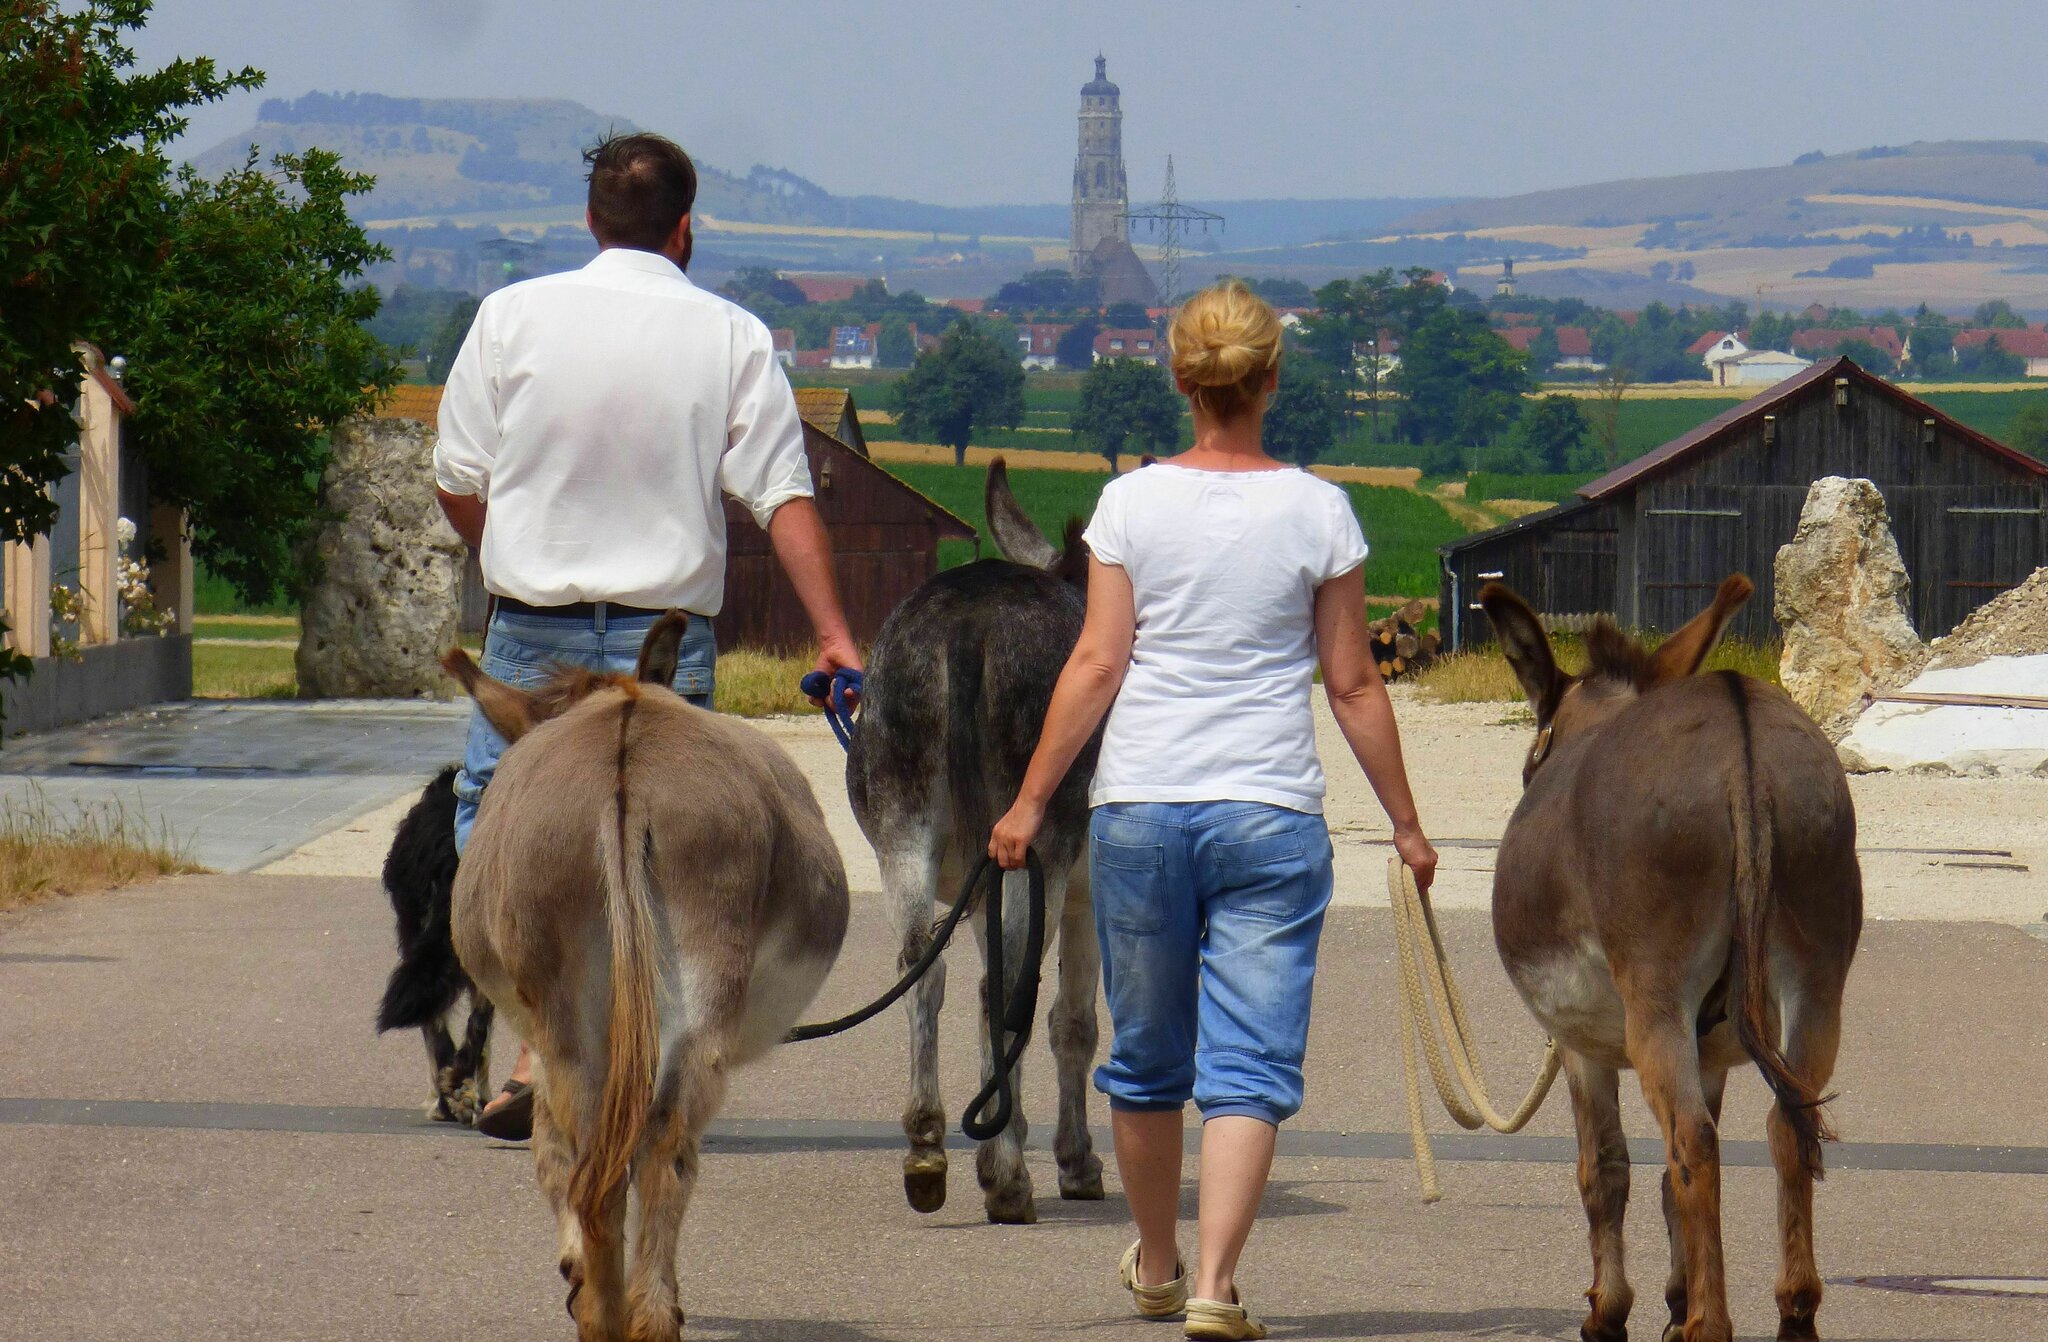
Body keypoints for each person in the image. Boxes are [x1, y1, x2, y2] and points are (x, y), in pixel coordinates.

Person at [988, 280, 1437, 1341]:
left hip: (1141, 806)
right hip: (1269, 809)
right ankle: (1216, 1285)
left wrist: (1026, 801)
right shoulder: (1320, 510)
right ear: (1270, 378)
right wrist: (1406, 826)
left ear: (1180, 378)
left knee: (1145, 1056)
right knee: (1248, 1062)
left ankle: (1154, 1260)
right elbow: (1353, 684)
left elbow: (1098, 662)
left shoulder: (1129, 507)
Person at [434, 132, 862, 1140]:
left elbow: (458, 483)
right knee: (663, 847)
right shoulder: (730, 336)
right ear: (684, 229)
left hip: (530, 632)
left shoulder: (508, 319)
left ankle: (544, 1038)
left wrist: (517, 553)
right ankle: (630, 1046)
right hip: (666, 644)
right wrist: (836, 634)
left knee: (495, 822)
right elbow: (782, 498)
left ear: (589, 221)